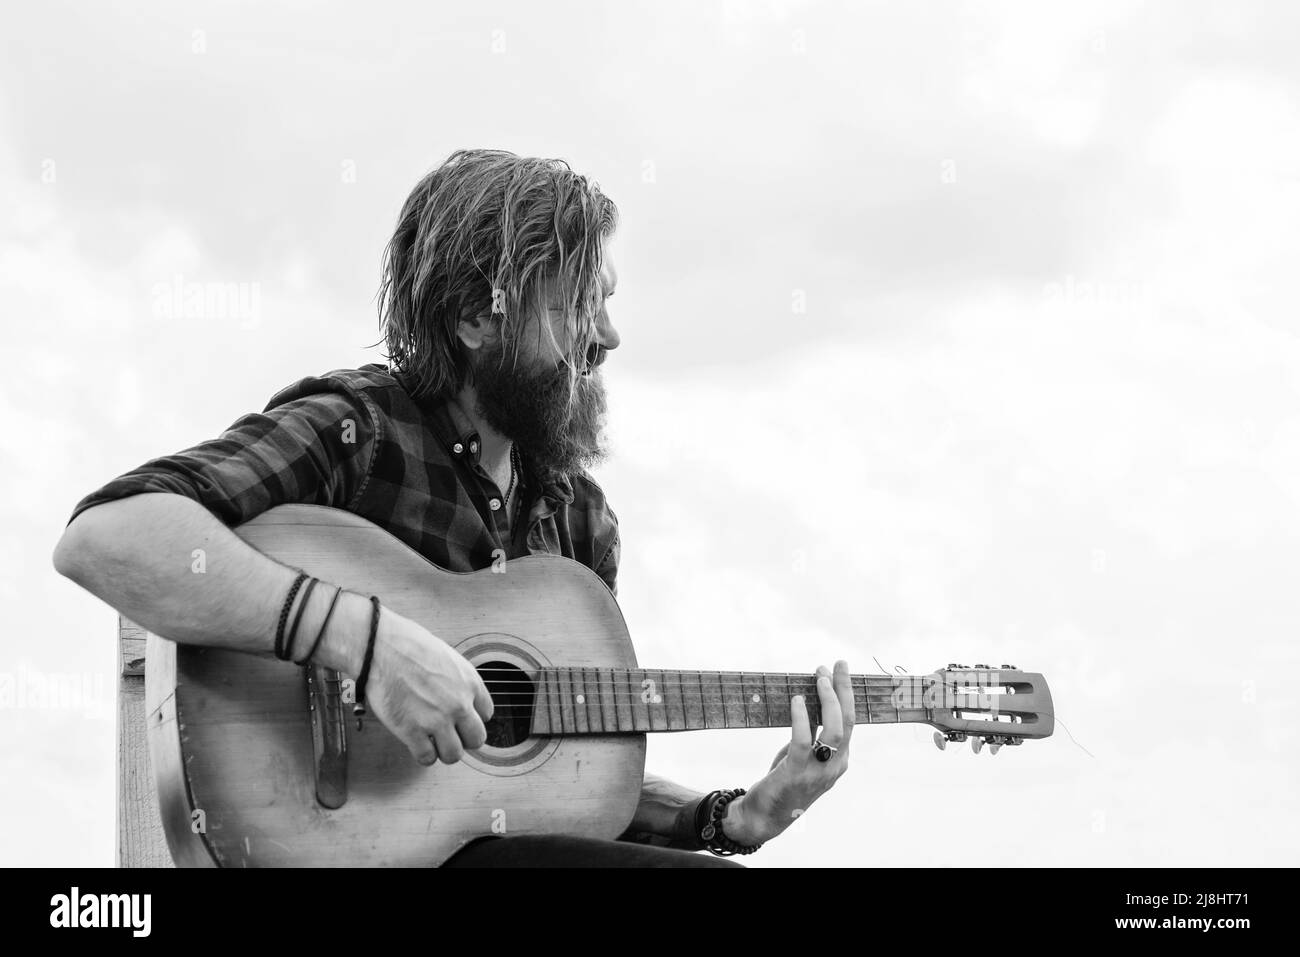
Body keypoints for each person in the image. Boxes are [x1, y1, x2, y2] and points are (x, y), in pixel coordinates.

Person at [53, 149, 855, 867]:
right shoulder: (357, 433)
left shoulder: (578, 521)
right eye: (578, 306)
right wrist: (366, 646)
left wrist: (731, 817)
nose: (608, 337)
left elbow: (570, 782)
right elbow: (107, 536)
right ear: (476, 316)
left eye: (606, 303)